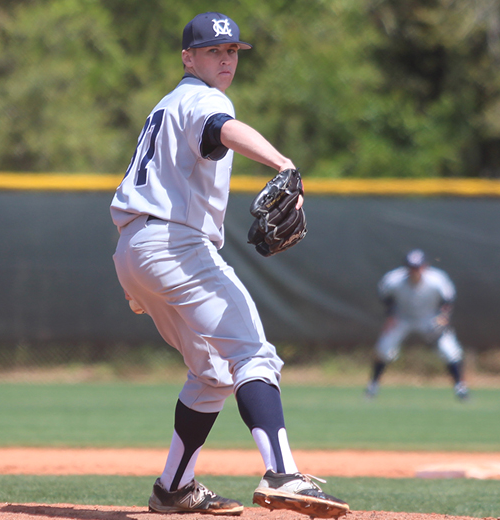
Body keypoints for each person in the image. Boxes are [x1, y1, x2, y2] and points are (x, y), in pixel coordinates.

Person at [110, 12, 349, 519]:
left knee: (213, 373)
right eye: (213, 51)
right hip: (175, 245)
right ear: (187, 57)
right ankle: (283, 473)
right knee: (252, 355)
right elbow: (222, 127)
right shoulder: (202, 98)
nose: (225, 59)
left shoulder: (166, 105)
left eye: (232, 51)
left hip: (135, 248)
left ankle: (174, 487)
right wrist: (284, 164)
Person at [366, 249, 470, 401]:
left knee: (450, 351)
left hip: (429, 318)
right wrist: (390, 315)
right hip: (402, 317)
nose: (414, 270)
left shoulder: (437, 279)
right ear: (406, 268)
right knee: (383, 350)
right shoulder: (394, 279)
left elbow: (448, 300)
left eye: (418, 267)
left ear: (425, 266)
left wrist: (443, 316)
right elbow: (385, 296)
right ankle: (372, 387)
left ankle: (461, 388)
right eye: (411, 267)